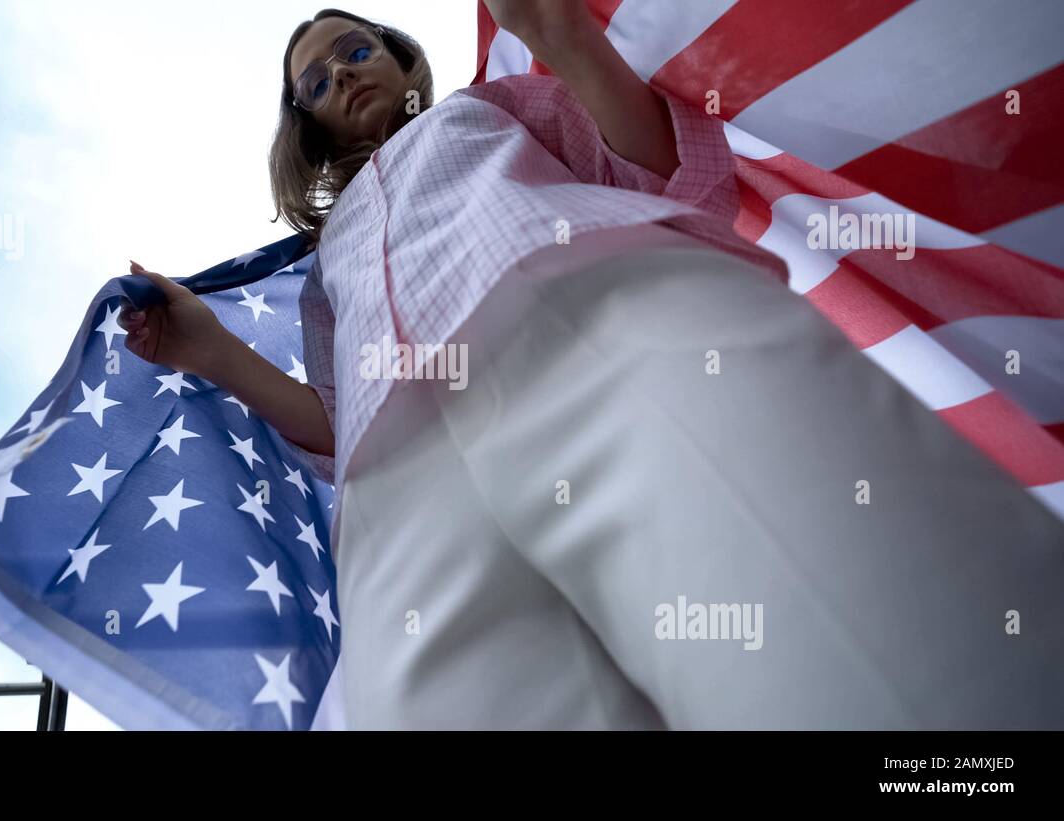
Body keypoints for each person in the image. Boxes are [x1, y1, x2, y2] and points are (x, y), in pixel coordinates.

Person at [120, 3, 1064, 729]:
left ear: (407, 61)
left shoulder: (498, 108)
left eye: (356, 50)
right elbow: (327, 417)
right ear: (308, 122)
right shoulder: (329, 262)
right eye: (316, 82)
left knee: (845, 626)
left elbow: (654, 165)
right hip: (398, 480)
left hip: (592, 317)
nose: (341, 77)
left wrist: (561, 34)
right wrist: (210, 349)